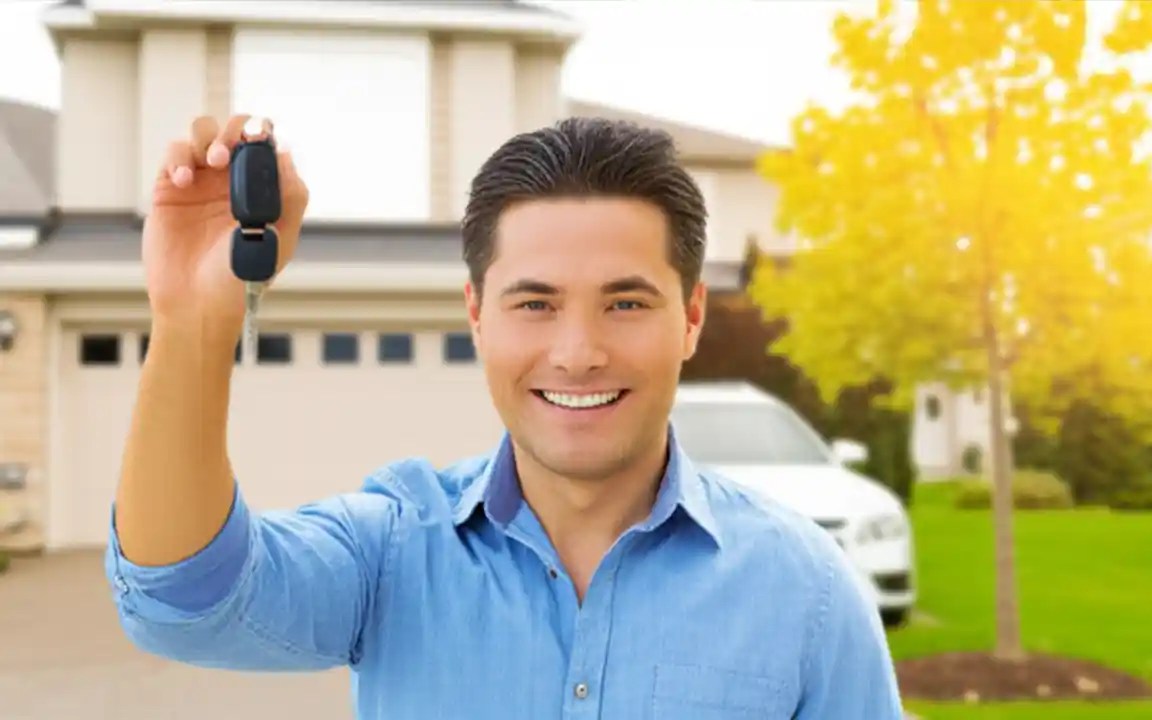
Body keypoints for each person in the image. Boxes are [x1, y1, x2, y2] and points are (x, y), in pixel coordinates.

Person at [106, 112, 905, 719]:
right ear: (477, 314)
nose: (578, 351)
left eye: (626, 302)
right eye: (536, 303)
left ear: (692, 317)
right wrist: (192, 322)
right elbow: (182, 601)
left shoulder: (807, 592)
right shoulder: (392, 554)